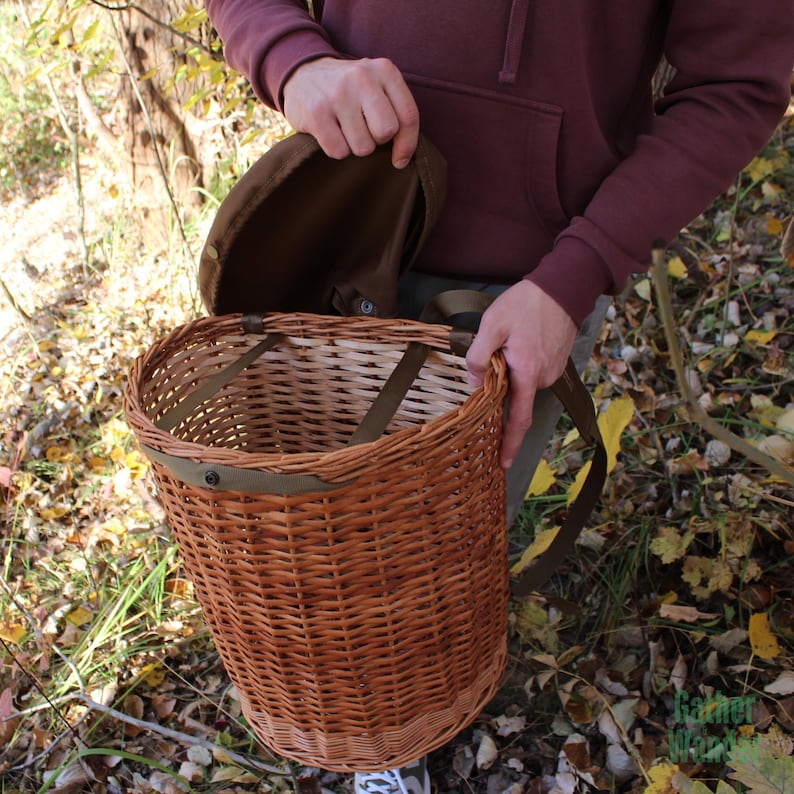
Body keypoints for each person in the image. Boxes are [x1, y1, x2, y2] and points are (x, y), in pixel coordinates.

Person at [202, 2, 794, 791]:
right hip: (340, 223)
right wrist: (289, 57)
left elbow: (736, 85)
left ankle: (397, 734)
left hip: (524, 289)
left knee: (425, 565)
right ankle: (345, 714)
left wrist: (577, 272)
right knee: (317, 540)